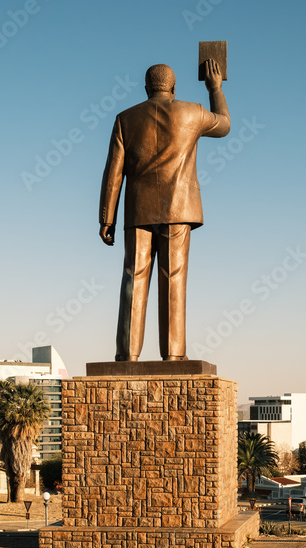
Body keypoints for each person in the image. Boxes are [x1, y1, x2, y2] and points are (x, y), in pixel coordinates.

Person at [99, 59, 229, 361]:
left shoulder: (125, 119)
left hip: (137, 211)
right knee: (173, 276)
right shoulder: (193, 112)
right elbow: (224, 125)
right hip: (178, 208)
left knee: (134, 276)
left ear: (146, 88)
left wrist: (107, 218)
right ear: (173, 88)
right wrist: (215, 89)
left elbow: (113, 173)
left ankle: (127, 356)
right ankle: (173, 355)